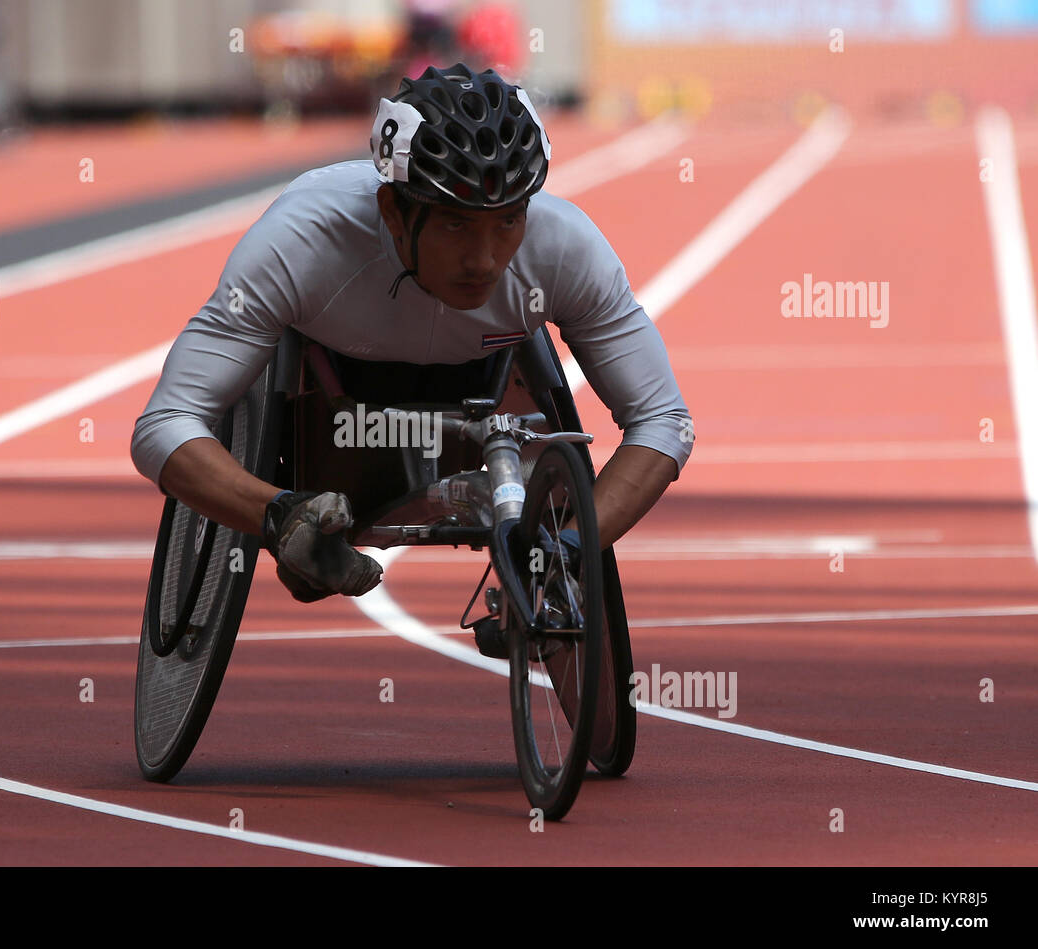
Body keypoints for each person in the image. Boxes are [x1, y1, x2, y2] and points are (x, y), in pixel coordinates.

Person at [132, 63, 693, 611]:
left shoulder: (565, 247)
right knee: (311, 575)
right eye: (455, 224)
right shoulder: (299, 241)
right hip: (336, 399)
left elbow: (663, 420)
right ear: (393, 212)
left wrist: (568, 550)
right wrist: (276, 512)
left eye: (507, 220)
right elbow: (163, 425)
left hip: (485, 382)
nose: (484, 258)